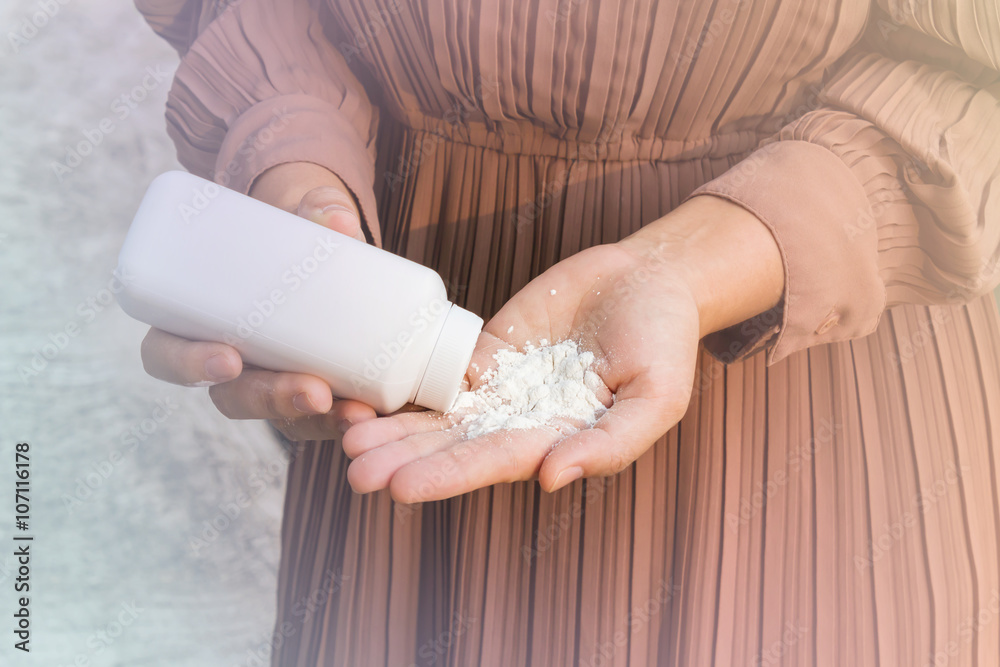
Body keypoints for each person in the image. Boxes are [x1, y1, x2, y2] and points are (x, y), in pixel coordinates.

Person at [135, 0, 1000, 664]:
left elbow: (973, 76)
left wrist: (693, 266)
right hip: (404, 385)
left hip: (811, 387)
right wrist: (294, 163)